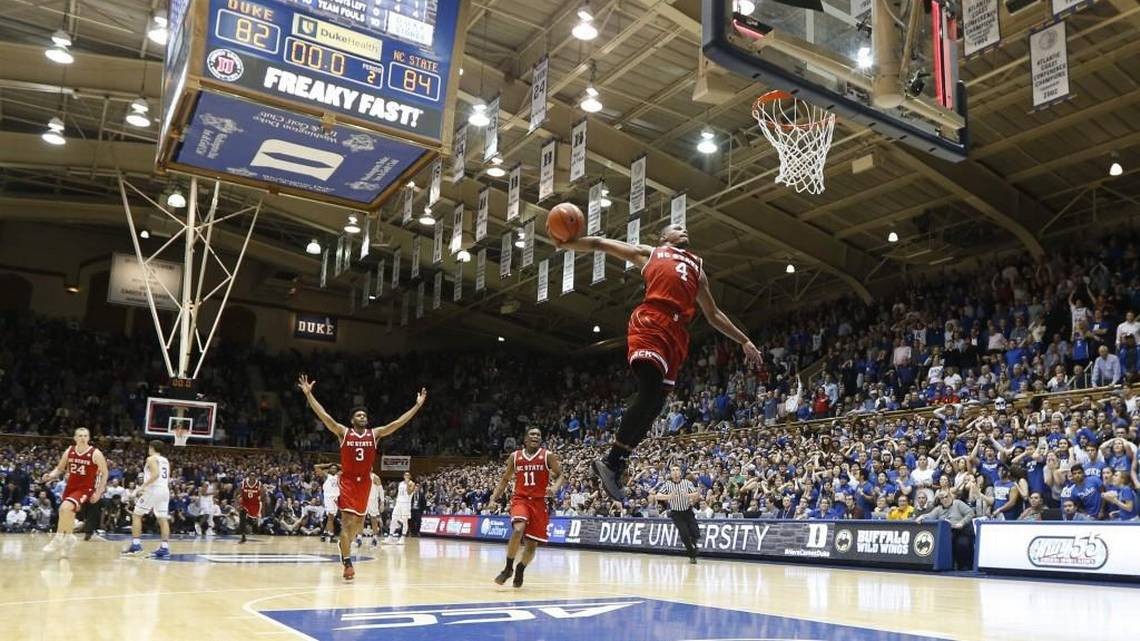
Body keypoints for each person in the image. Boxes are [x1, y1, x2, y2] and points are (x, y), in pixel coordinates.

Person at [555, 224, 762, 500]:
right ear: (664, 237)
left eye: (684, 227)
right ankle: (611, 461)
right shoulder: (650, 253)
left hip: (676, 334)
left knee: (656, 405)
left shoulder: (697, 268)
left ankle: (617, 463)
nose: (683, 229)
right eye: (676, 227)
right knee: (650, 390)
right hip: (652, 320)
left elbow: (713, 314)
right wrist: (569, 242)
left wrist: (743, 340)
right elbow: (600, 244)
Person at [297, 374, 427, 581]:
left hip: (365, 483)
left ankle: (344, 545)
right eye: (358, 415)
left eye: (364, 415)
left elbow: (397, 423)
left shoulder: (374, 434)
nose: (362, 417)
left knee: (357, 525)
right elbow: (324, 416)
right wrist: (308, 395)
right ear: (352, 420)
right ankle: (347, 563)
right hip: (348, 481)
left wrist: (417, 406)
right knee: (347, 522)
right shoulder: (343, 432)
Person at [489, 428, 565, 588]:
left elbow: (560, 475)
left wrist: (555, 487)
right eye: (532, 434)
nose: (535, 436)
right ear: (525, 439)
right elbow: (505, 479)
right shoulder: (515, 456)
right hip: (520, 499)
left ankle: (520, 568)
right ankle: (508, 568)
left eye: (538, 434)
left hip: (538, 503)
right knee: (518, 529)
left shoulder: (547, 455)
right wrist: (493, 498)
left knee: (531, 546)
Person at [40, 427, 107, 557]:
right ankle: (69, 537)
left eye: (85, 436)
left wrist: (99, 492)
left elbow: (105, 473)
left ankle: (58, 539)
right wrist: (50, 475)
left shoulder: (95, 453)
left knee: (64, 508)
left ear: (88, 438)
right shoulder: (69, 451)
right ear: (75, 438)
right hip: (71, 486)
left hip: (85, 488)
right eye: (80, 436)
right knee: (67, 513)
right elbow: (60, 468)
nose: (83, 438)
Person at [124, 440, 172, 557]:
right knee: (162, 518)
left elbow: (155, 475)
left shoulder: (151, 459)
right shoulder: (165, 460)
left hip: (154, 489)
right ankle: (164, 547)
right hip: (164, 490)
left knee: (137, 514)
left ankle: (136, 546)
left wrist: (142, 487)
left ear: (152, 448)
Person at [651, 465, 702, 563]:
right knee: (684, 533)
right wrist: (669, 496)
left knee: (695, 532)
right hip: (676, 513)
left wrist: (688, 495)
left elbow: (696, 495)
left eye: (677, 470)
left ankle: (694, 543)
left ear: (680, 473)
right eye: (673, 470)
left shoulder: (687, 483)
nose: (675, 472)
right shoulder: (667, 484)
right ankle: (691, 555)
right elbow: (657, 496)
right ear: (671, 473)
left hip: (688, 511)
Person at [314, 463, 341, 543]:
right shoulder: (326, 476)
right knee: (331, 516)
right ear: (329, 469)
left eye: (335, 468)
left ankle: (324, 534)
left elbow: (347, 468)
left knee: (331, 517)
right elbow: (316, 466)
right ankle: (331, 535)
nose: (333, 469)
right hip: (328, 498)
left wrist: (337, 465)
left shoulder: (338, 475)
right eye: (332, 468)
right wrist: (328, 464)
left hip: (336, 498)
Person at [238, 474, 265, 544]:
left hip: (255, 504)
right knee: (242, 518)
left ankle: (255, 525)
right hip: (245, 503)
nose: (252, 477)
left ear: (255, 477)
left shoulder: (259, 484)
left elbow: (263, 493)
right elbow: (238, 492)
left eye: (253, 475)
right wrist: (239, 499)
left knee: (251, 521)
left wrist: (260, 497)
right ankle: (243, 536)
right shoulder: (243, 483)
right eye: (251, 475)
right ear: (248, 476)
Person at [389, 472, 414, 544]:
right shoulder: (400, 483)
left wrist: (407, 484)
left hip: (406, 504)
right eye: (405, 475)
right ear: (403, 476)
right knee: (394, 518)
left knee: (405, 520)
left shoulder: (412, 483)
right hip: (398, 503)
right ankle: (390, 536)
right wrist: (396, 501)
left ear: (410, 476)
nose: (406, 476)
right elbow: (399, 494)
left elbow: (409, 493)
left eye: (408, 475)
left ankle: (402, 537)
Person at [361, 471, 383, 546]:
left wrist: (382, 502)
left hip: (373, 500)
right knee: (361, 519)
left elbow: (381, 491)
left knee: (374, 519)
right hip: (363, 500)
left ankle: (375, 537)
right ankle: (359, 537)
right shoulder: (362, 476)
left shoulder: (375, 477)